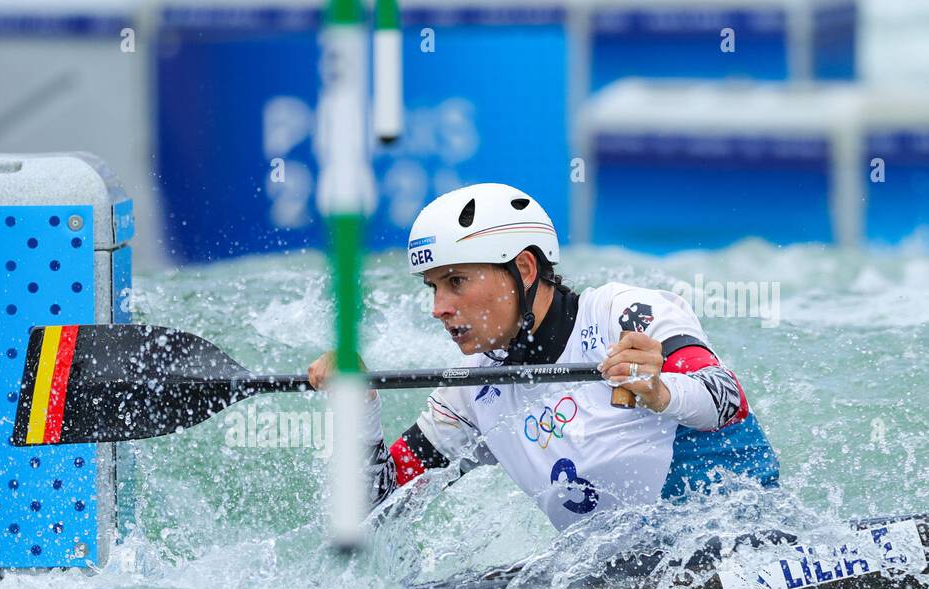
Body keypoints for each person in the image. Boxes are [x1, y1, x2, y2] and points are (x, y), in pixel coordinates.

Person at [307, 182, 779, 529]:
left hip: (736, 536)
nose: (439, 309)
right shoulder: (469, 393)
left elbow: (725, 397)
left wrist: (660, 391)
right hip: (612, 575)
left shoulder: (623, 312)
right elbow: (378, 508)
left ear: (525, 268)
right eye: (433, 287)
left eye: (456, 281)